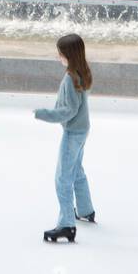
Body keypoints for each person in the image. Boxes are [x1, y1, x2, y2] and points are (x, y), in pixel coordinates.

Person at [33, 33, 94, 243]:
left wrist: (43, 114)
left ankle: (67, 224)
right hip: (83, 129)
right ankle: (86, 210)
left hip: (73, 132)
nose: (58, 56)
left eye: (60, 53)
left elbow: (68, 110)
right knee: (77, 171)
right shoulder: (81, 72)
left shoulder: (70, 78)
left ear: (68, 55)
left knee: (62, 179)